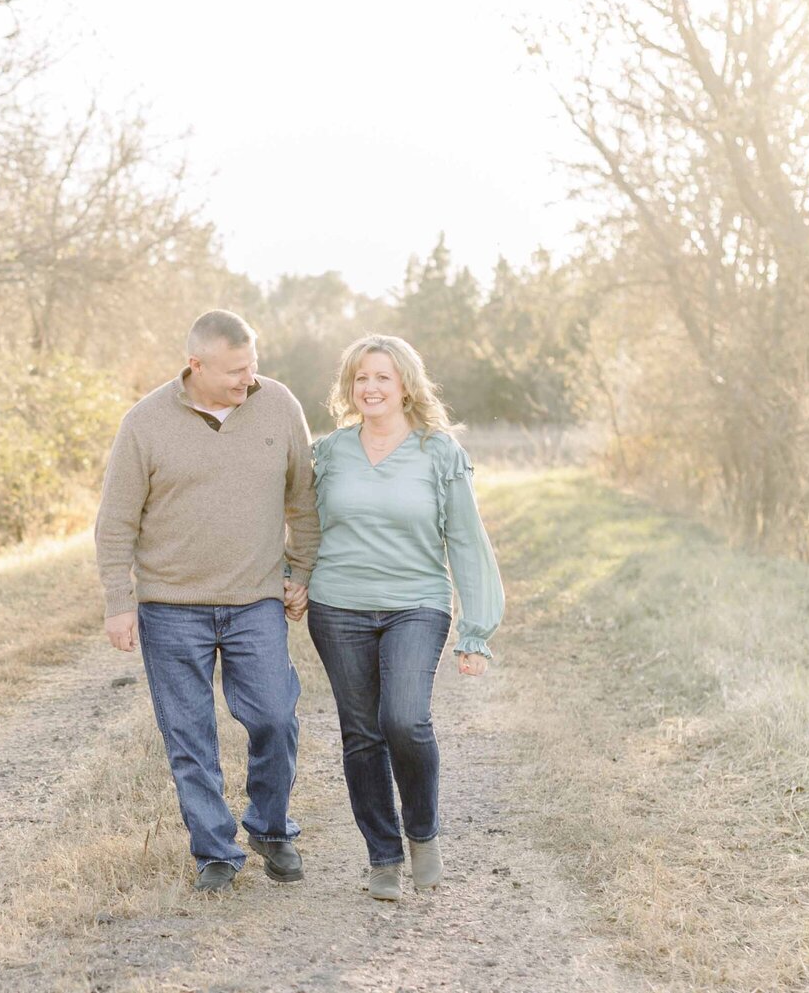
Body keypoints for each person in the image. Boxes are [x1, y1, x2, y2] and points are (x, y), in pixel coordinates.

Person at [94, 310, 320, 893]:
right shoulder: (145, 423)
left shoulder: (277, 405)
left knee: (274, 715)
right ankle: (214, 850)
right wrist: (120, 601)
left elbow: (304, 498)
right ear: (196, 365)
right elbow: (116, 521)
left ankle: (271, 829)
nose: (249, 380)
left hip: (256, 601)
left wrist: (303, 569)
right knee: (189, 736)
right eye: (235, 371)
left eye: (253, 366)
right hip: (171, 607)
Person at [299, 334, 504, 902]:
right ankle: (383, 858)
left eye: (382, 378)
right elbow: (305, 526)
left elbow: (466, 540)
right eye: (361, 378)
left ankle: (423, 834)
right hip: (338, 606)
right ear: (349, 387)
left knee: (405, 720)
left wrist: (476, 629)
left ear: (406, 384)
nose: (370, 388)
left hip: (417, 602)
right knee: (362, 734)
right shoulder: (329, 452)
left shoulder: (438, 453)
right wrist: (293, 579)